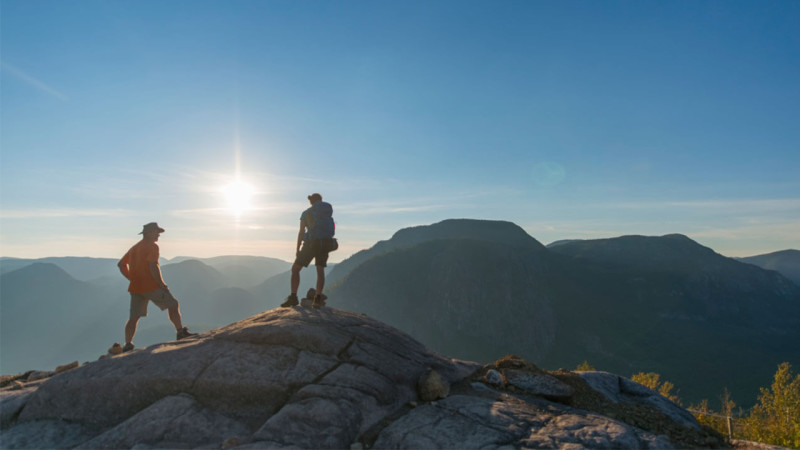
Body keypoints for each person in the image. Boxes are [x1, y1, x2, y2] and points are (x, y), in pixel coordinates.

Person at [117, 222, 195, 352]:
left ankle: (128, 344)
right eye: (156, 232)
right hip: (151, 286)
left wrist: (131, 279)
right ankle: (180, 332)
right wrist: (161, 284)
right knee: (173, 304)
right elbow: (153, 266)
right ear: (148, 233)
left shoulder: (134, 248)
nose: (158, 234)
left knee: (133, 318)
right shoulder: (152, 247)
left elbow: (121, 264)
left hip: (135, 288)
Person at [281, 193, 336, 309]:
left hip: (311, 244)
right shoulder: (327, 210)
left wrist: (298, 248)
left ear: (311, 201)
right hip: (325, 243)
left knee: (295, 269)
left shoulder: (307, 213)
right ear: (321, 200)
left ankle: (293, 297)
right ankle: (317, 298)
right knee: (320, 270)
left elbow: (301, 232)